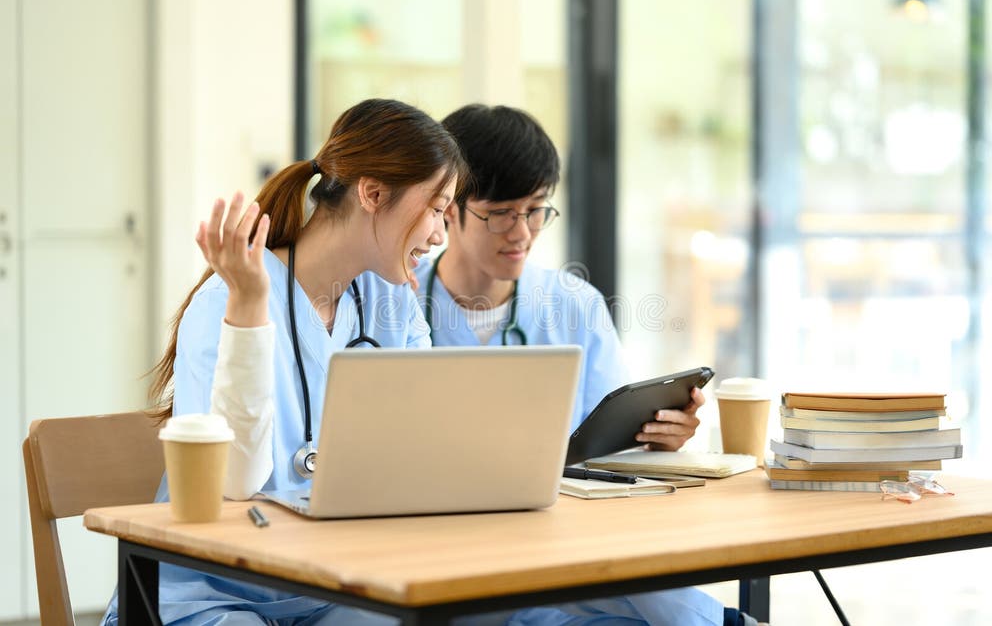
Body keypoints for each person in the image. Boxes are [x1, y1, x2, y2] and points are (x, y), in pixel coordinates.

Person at [100, 98, 465, 625]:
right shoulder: (227, 298)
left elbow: (419, 448)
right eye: (436, 209)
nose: (438, 235)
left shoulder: (392, 302)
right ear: (373, 193)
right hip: (209, 589)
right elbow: (231, 483)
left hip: (329, 584)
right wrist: (248, 307)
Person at [413, 104, 763, 626]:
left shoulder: (574, 303)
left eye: (536, 209)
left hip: (564, 531)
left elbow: (611, 445)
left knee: (645, 588)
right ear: (448, 208)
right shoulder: (395, 298)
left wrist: (657, 435)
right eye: (502, 213)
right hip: (446, 536)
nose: (523, 232)